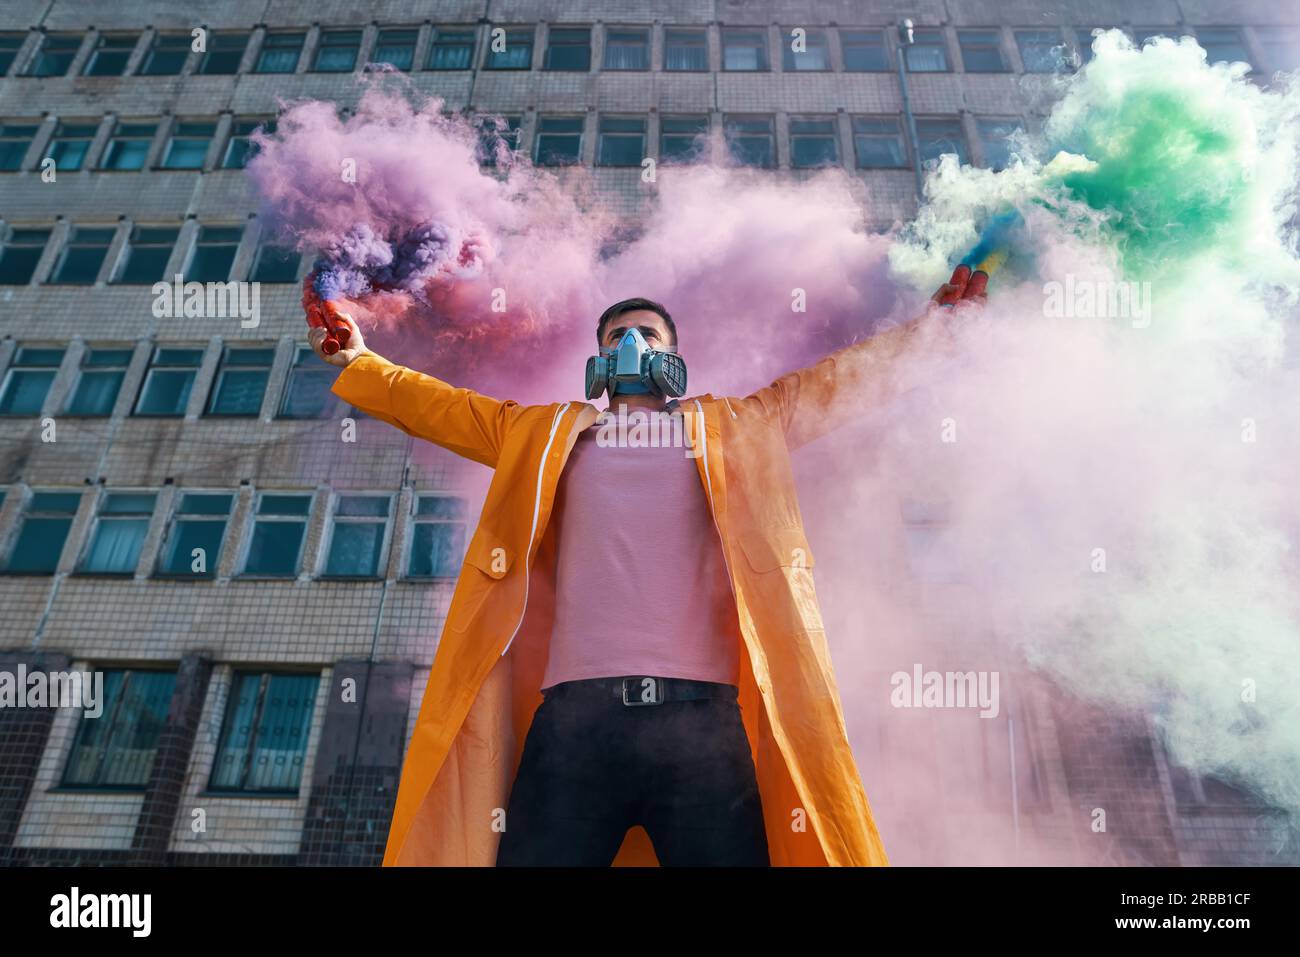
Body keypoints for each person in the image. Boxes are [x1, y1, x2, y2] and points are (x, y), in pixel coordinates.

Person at [306, 266, 986, 867]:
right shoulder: (541, 434)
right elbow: (442, 408)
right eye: (617, 336)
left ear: (674, 357)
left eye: (648, 334)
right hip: (574, 725)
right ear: (598, 360)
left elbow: (834, 386)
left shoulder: (738, 427)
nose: (632, 345)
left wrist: (932, 333)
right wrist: (359, 362)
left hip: (702, 729)